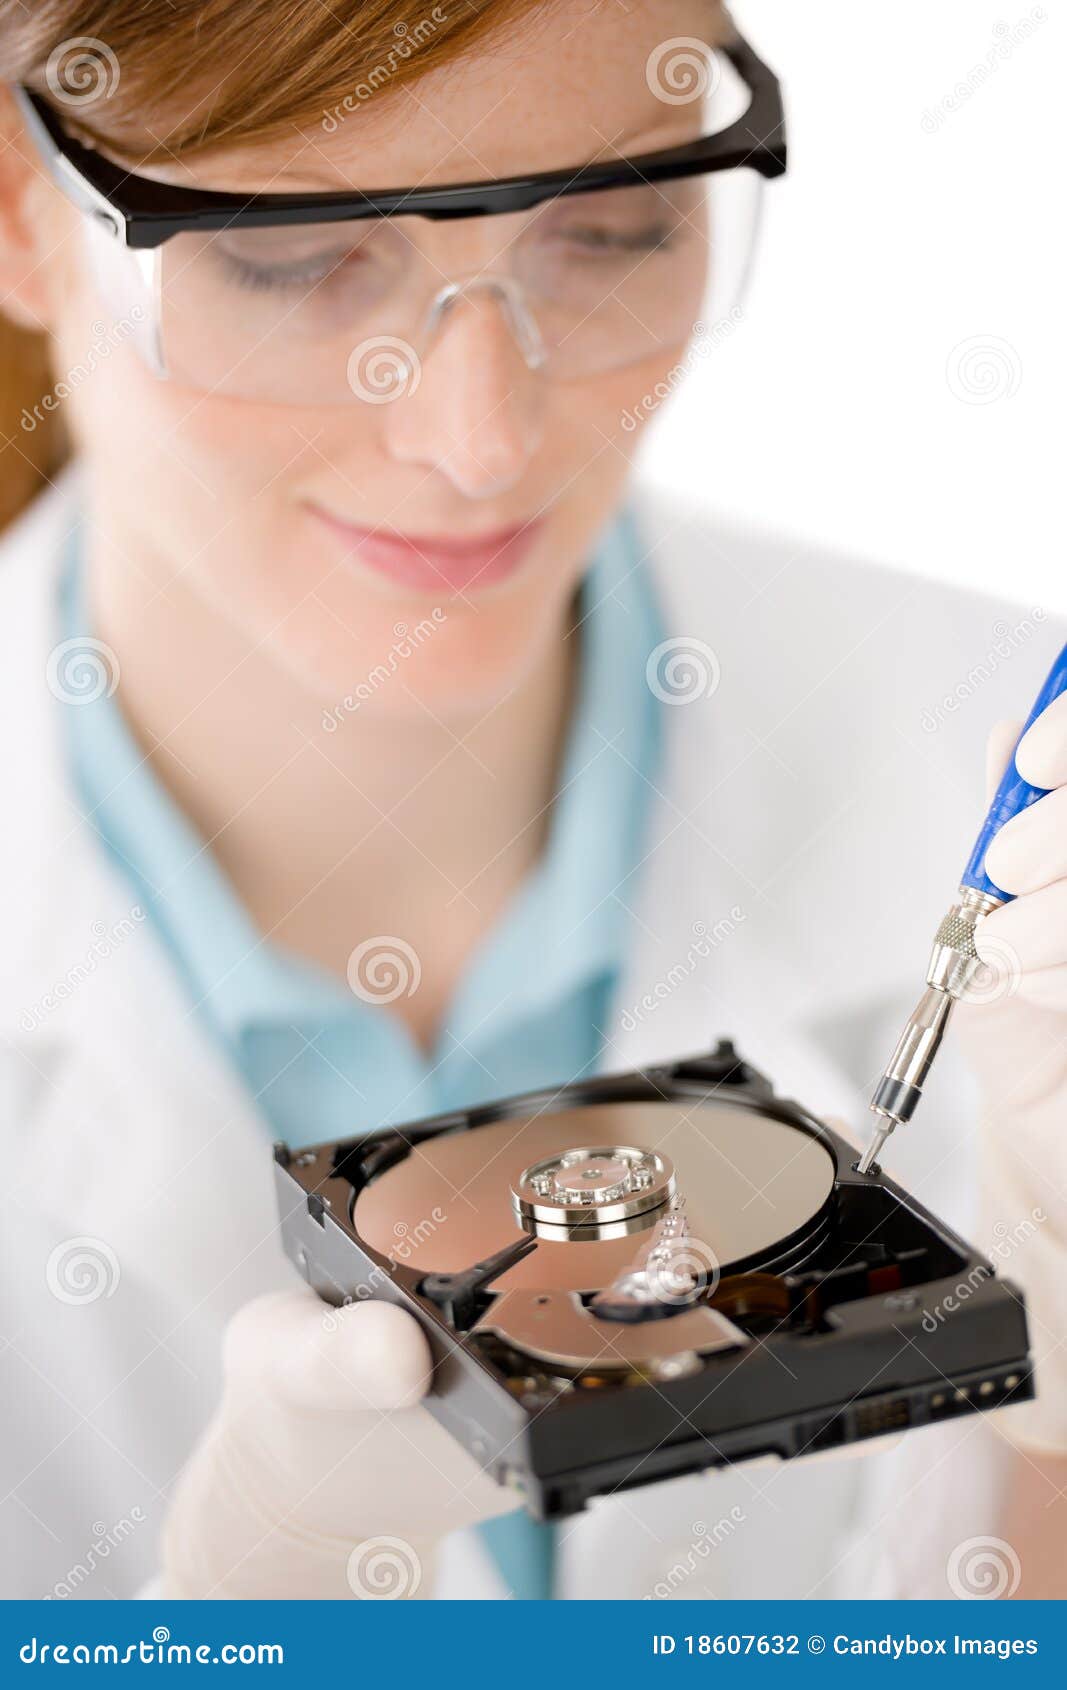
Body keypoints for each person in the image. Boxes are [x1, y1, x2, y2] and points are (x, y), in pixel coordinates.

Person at [0, 0, 1063, 1602]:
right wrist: (245, 1607)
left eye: (615, 227)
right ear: (26, 217)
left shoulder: (997, 751)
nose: (479, 437)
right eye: (295, 261)